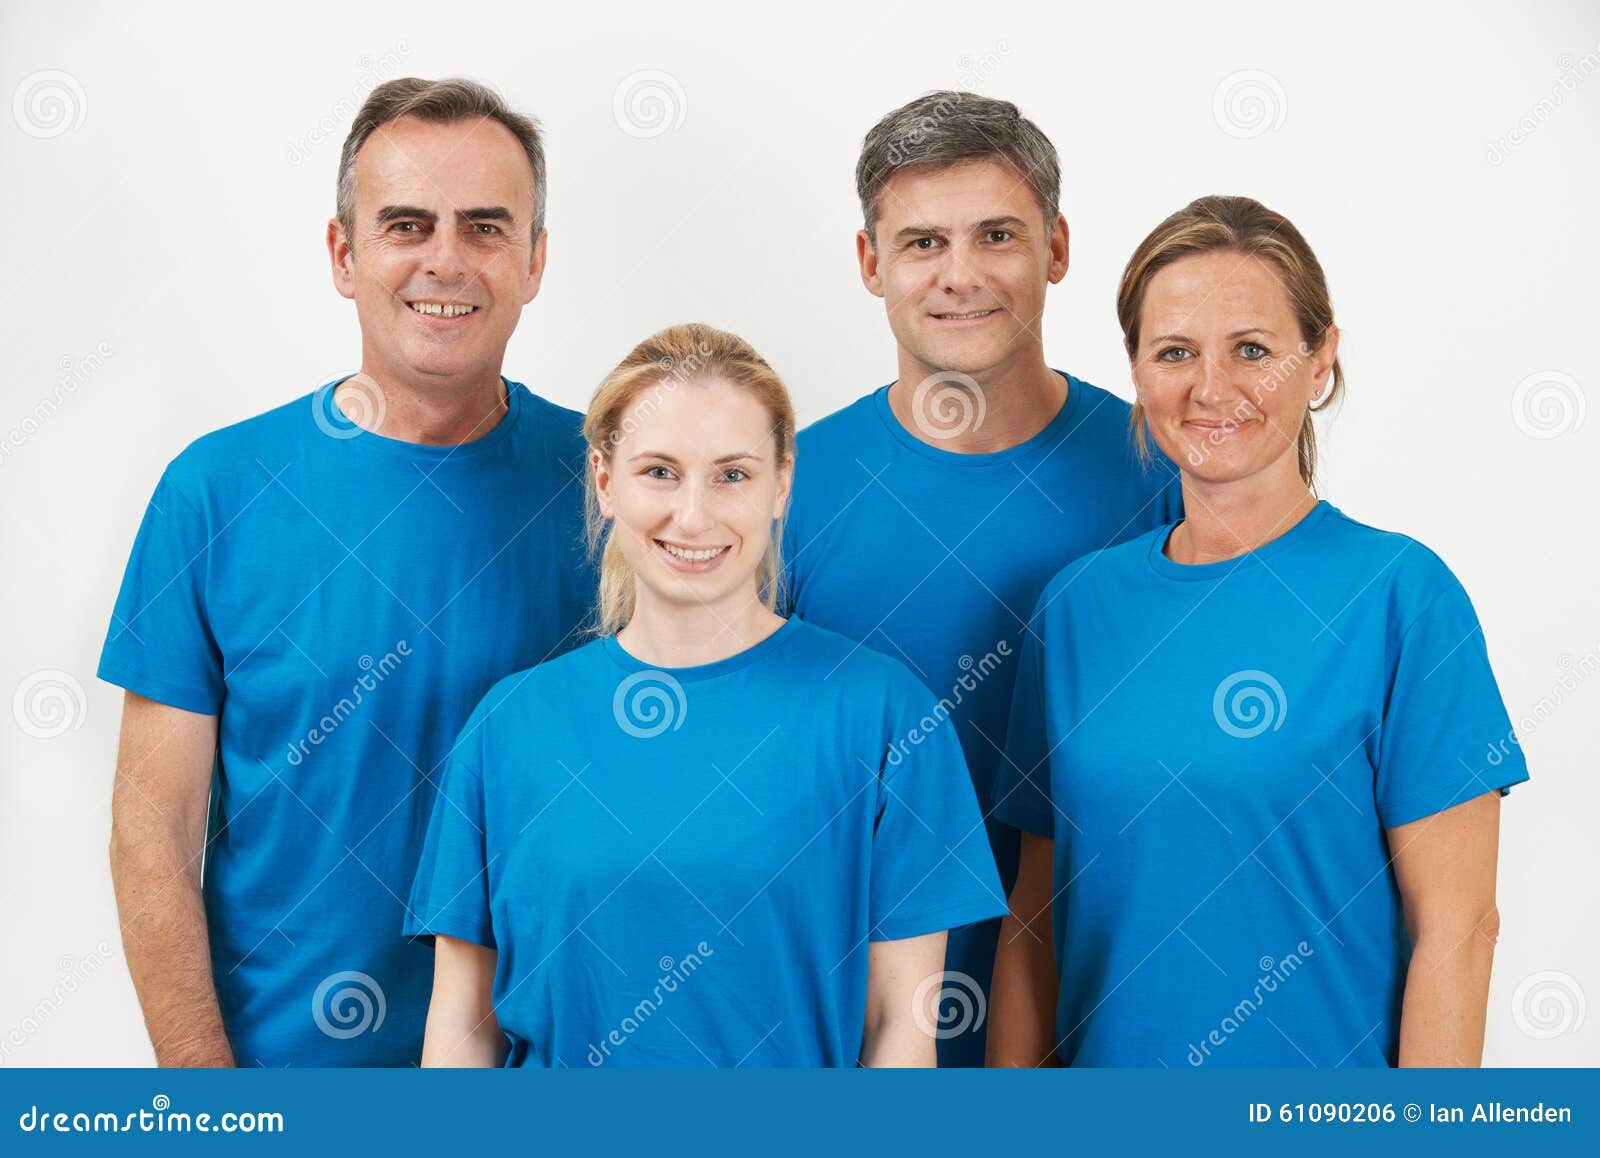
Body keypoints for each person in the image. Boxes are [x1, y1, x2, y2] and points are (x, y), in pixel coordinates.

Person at [98, 78, 593, 1066]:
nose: (444, 260)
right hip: (287, 1080)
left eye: (485, 227)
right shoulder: (216, 492)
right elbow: (154, 832)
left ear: (534, 261)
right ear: (344, 254)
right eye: (406, 224)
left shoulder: (620, 492)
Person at [987, 195, 1529, 1068]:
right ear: (1135, 369)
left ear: (1319, 363)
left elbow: (1460, 932)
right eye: (1175, 352)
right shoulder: (1075, 609)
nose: (1211, 387)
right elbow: (1034, 921)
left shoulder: (1401, 597)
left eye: (1252, 350)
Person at [406, 324, 1006, 1067]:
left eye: (732, 475)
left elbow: (900, 1037)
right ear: (604, 480)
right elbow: (461, 1032)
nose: (693, 516)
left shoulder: (886, 718)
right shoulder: (510, 727)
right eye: (659, 471)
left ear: (782, 482)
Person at [781, 91, 1180, 1065]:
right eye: (922, 243)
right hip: (842, 1033)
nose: (959, 276)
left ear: (1057, 247)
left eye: (996, 235)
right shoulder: (775, 491)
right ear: (871, 263)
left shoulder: (1167, 478)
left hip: (1105, 1025)